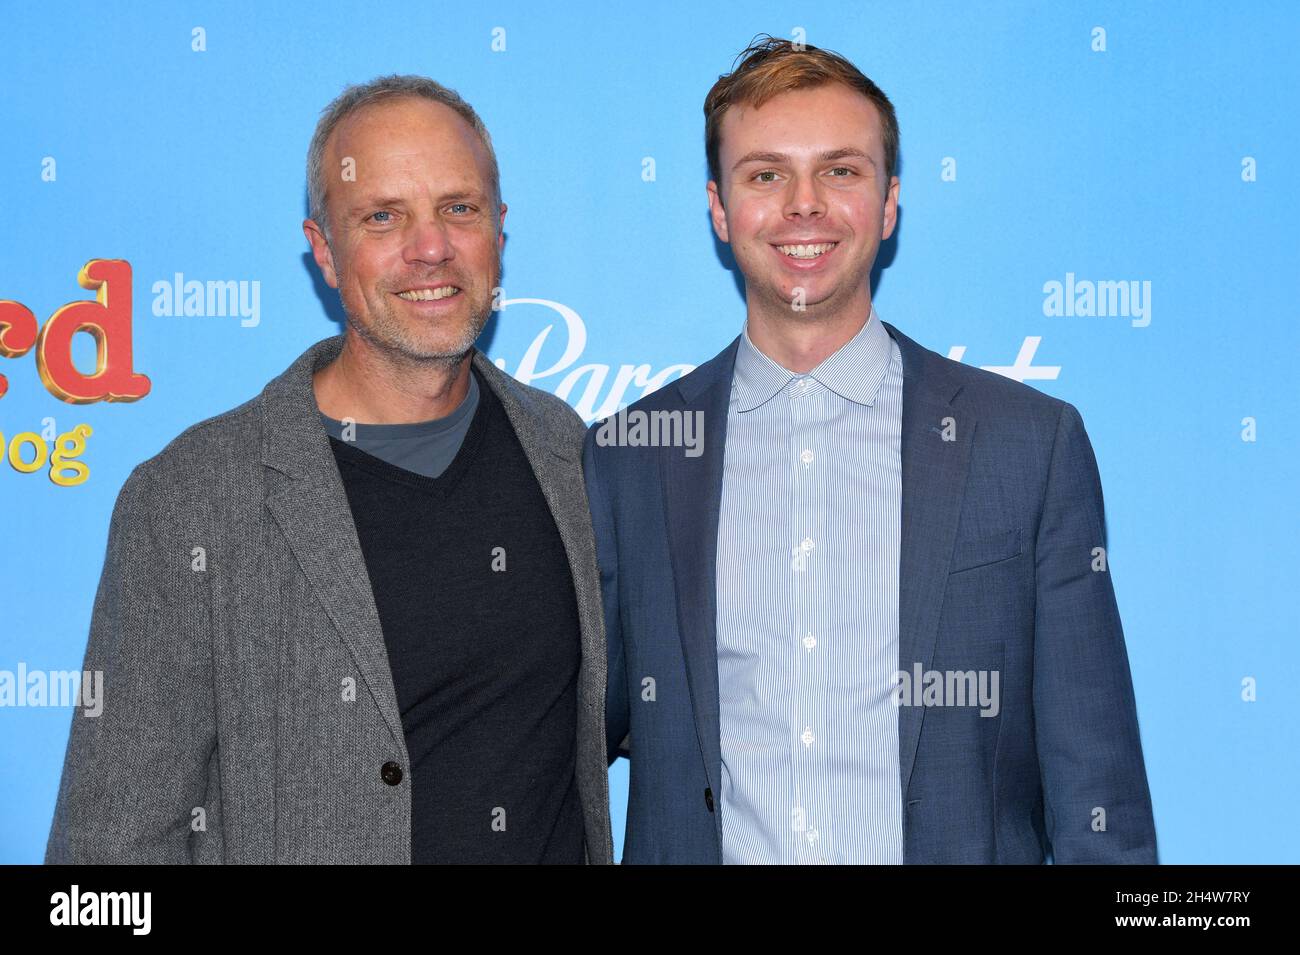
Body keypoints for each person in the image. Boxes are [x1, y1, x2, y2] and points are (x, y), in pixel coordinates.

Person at [584, 37, 1157, 864]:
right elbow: (563, 747)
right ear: (718, 207)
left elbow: (1096, 785)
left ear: (889, 204)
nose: (803, 204)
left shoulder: (1028, 445)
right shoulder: (628, 457)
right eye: (766, 174)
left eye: (842, 171)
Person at [46, 75, 613, 864]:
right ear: (323, 249)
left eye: (459, 207)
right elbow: (106, 854)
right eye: (382, 216)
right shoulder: (190, 499)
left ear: (499, 231)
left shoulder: (567, 453)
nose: (431, 247)